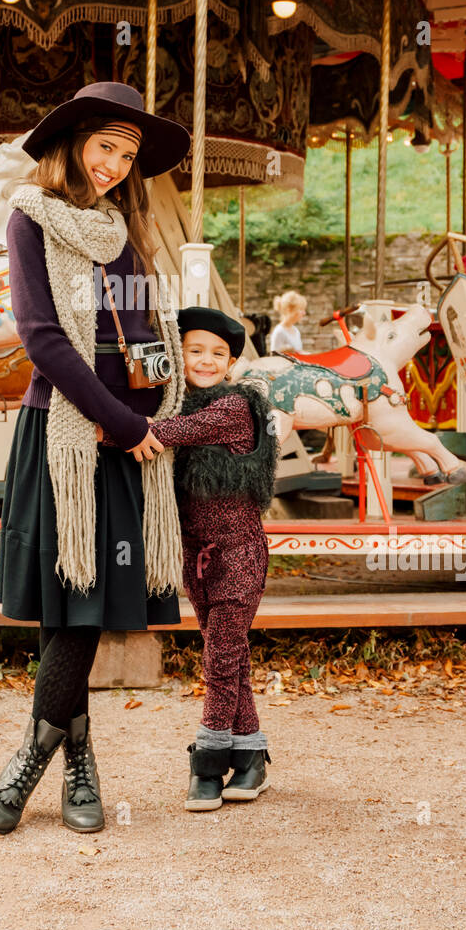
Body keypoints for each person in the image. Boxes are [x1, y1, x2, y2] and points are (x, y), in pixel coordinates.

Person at [0, 82, 190, 836]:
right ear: (73, 144)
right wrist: (120, 425)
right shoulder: (29, 219)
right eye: (106, 146)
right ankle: (63, 765)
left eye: (128, 155)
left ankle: (39, 764)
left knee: (84, 603)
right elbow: (42, 340)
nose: (115, 165)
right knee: (71, 602)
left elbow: (143, 333)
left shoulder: (124, 237)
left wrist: (169, 394)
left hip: (125, 432)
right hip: (65, 435)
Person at [128, 306, 278, 811]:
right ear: (178, 355)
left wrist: (115, 423)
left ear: (232, 362)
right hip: (198, 558)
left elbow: (162, 433)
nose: (207, 360)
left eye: (219, 353)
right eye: (195, 350)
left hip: (240, 554)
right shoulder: (179, 403)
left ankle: (209, 761)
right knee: (230, 657)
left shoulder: (232, 408)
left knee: (219, 657)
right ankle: (252, 759)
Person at [269, 289, 307, 353]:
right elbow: (273, 356)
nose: (304, 313)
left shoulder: (296, 330)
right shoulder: (279, 331)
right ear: (289, 310)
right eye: (300, 309)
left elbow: (299, 353)